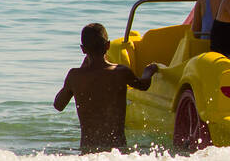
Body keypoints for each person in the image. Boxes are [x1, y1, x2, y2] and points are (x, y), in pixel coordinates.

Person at [54, 23, 160, 153]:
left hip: (88, 151)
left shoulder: (75, 76)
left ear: (83, 49)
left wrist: (80, 71)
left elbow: (58, 105)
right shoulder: (120, 72)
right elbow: (143, 85)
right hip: (117, 151)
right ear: (108, 45)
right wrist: (149, 71)